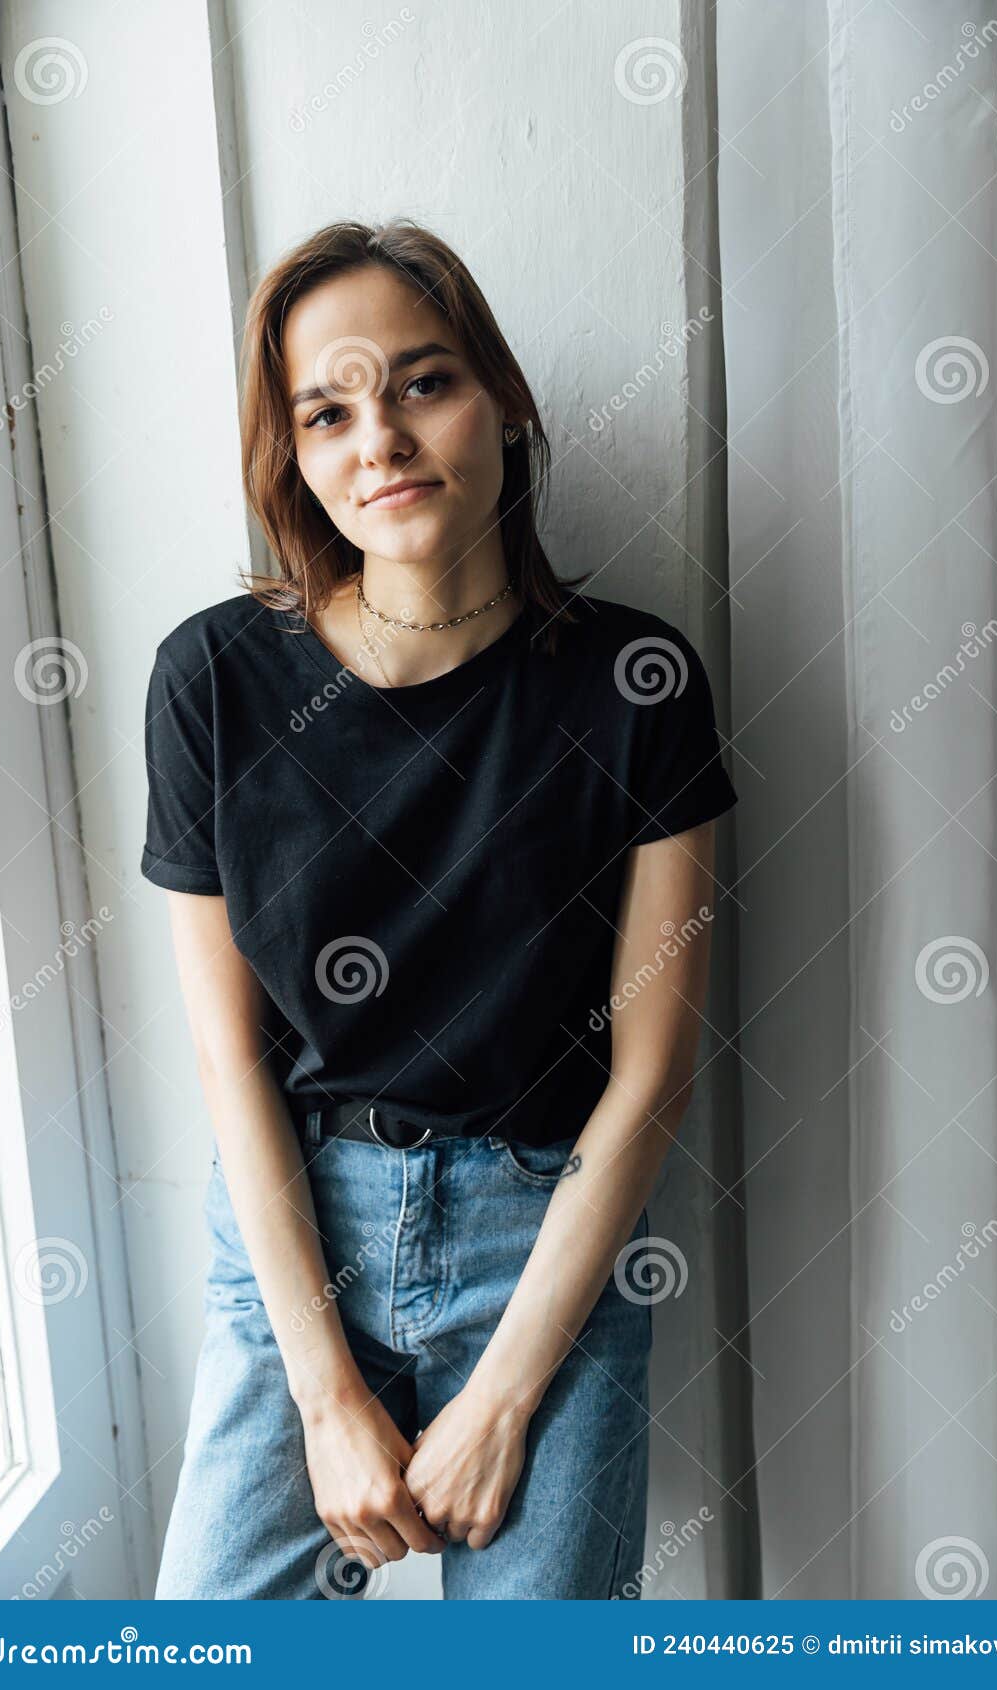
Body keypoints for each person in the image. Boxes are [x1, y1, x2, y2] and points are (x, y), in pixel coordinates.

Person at [141, 219, 738, 1600]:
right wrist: (328, 1392)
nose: (382, 439)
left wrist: (511, 1393)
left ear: (505, 401)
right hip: (299, 1232)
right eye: (328, 410)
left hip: (550, 1241)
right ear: (291, 455)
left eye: (424, 383)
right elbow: (229, 1058)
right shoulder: (216, 679)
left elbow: (649, 1074)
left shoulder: (636, 681)